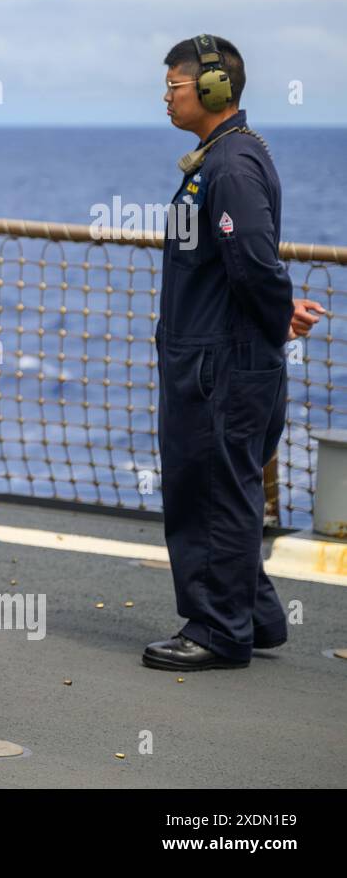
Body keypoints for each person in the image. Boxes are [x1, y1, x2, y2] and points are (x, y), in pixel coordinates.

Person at [145, 35, 324, 671]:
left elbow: (251, 260)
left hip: (221, 366)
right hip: (215, 357)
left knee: (213, 491)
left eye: (174, 85)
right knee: (222, 488)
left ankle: (219, 632)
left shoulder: (229, 166)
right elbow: (249, 264)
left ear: (214, 89)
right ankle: (255, 615)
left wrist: (276, 313)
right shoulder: (220, 159)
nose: (166, 96)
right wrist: (282, 310)